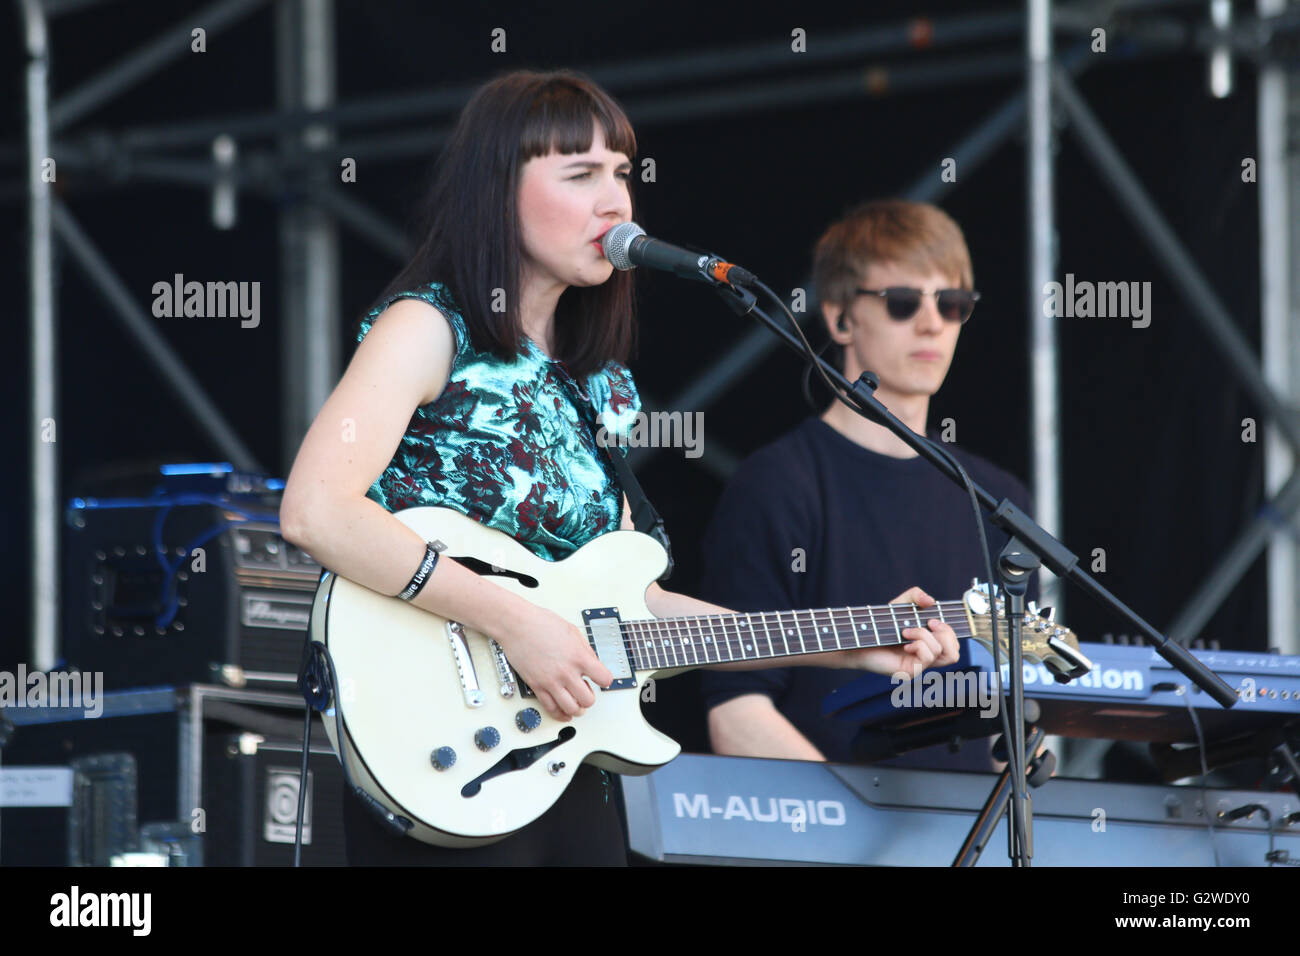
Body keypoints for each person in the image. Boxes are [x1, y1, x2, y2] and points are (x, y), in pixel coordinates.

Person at [278, 73, 961, 866]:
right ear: (496, 193)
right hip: (437, 753)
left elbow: (635, 609)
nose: (617, 202)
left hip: (566, 768)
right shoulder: (426, 329)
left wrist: (845, 644)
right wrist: (515, 624)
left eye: (622, 174)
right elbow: (316, 509)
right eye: (580, 174)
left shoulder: (596, 381)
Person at [699, 199, 1035, 769]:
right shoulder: (777, 483)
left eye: (953, 304)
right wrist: (853, 832)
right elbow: (737, 713)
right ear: (839, 318)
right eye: (903, 302)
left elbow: (1018, 720)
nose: (933, 322)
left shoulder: (1002, 500)